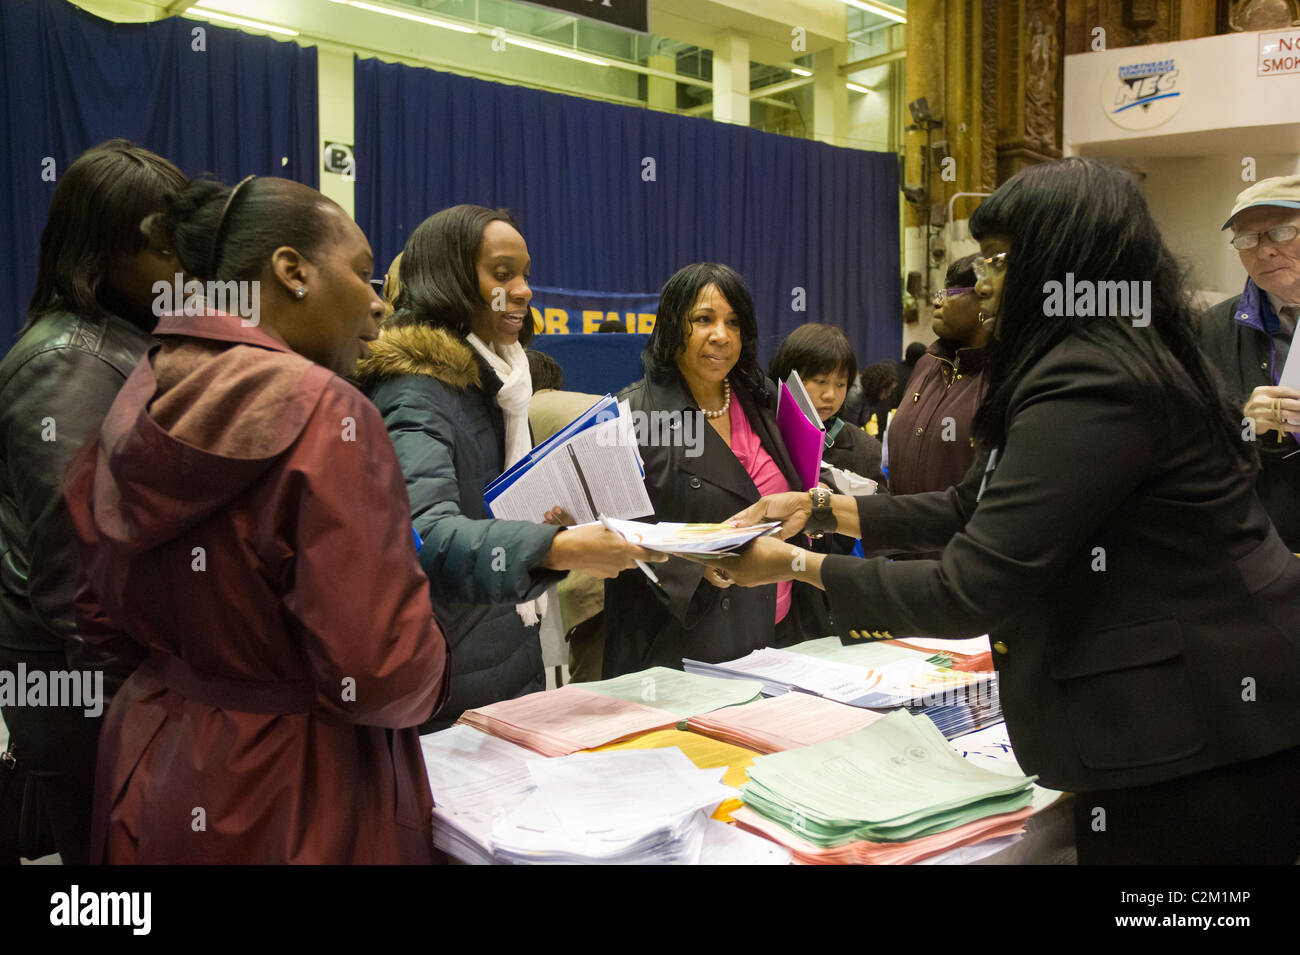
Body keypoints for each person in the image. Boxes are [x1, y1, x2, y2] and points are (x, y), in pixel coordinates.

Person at [715, 158, 1300, 864]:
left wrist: (794, 565)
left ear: (1061, 264)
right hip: (1197, 715)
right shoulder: (1103, 357)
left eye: (997, 260)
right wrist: (823, 510)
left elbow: (967, 586)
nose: (980, 283)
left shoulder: (1094, 378)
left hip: (1204, 732)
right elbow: (973, 503)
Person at [64, 175, 450, 864]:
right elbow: (380, 666)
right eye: (363, 273)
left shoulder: (143, 383)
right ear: (291, 270)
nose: (377, 303)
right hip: (296, 786)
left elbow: (92, 609)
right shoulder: (327, 411)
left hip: (152, 763)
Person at [356, 205, 659, 728]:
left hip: (506, 660)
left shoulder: (495, 385)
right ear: (449, 280)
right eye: (502, 275)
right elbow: (424, 534)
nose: (523, 290)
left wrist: (544, 532)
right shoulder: (415, 391)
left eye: (524, 274)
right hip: (447, 681)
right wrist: (554, 548)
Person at [0, 140, 186, 865]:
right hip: (82, 694)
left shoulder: (121, 340)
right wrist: (143, 715)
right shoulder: (68, 363)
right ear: (104, 251)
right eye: (164, 247)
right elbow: (78, 575)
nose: (185, 267)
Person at [603, 262, 813, 677]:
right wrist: (697, 566)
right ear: (672, 326)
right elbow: (617, 530)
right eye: (703, 319)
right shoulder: (632, 413)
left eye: (733, 322)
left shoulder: (765, 397)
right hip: (684, 641)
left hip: (779, 631)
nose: (721, 335)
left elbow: (796, 480)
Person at [1198, 175, 1300, 551]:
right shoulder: (1210, 328)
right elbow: (1183, 440)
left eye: (1280, 232)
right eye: (1248, 239)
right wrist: (1243, 421)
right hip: (1262, 547)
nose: (1264, 251)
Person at [886, 254, 992, 496]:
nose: (937, 301)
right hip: (901, 529)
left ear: (987, 301)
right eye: (942, 291)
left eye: (952, 293)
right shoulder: (927, 364)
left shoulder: (1005, 378)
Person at [768, 322, 885, 489]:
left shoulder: (866, 450)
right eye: (820, 381)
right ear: (790, 377)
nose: (830, 395)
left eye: (840, 384)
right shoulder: (762, 435)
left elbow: (879, 511)